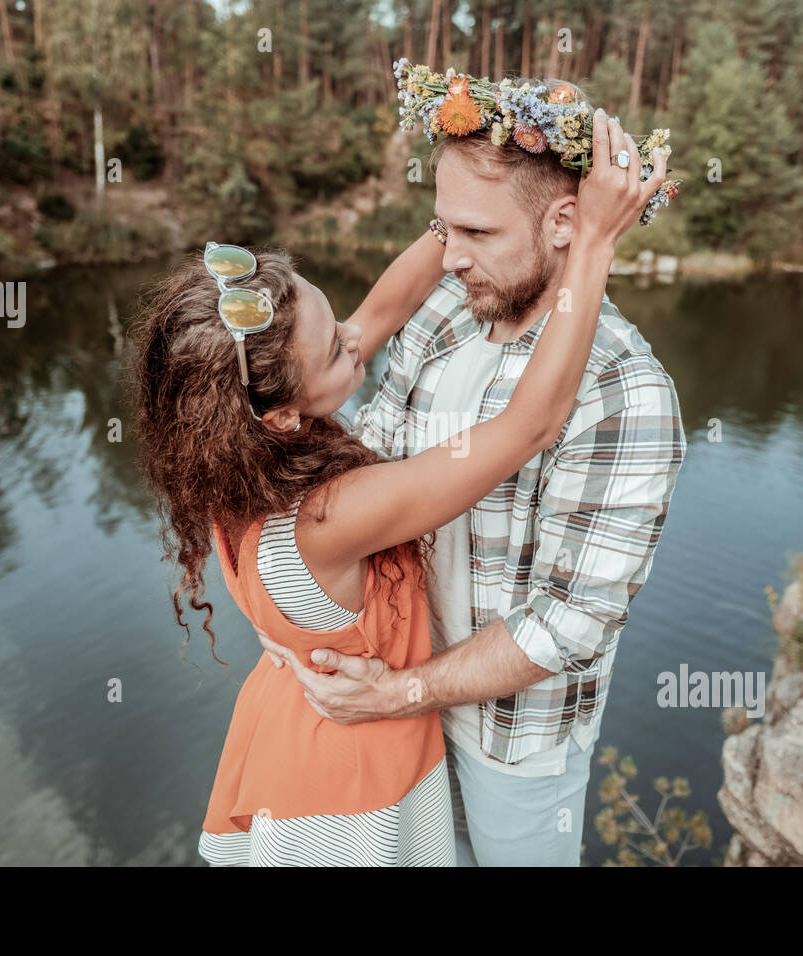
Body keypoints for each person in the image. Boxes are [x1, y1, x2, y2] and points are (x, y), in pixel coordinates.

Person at [131, 109, 666, 866]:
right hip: (351, 782)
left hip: (357, 731)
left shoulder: (241, 458)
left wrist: (482, 157)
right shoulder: (328, 514)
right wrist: (596, 243)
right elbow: (529, 426)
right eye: (338, 348)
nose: (359, 337)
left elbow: (378, 310)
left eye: (472, 234)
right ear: (285, 413)